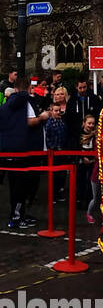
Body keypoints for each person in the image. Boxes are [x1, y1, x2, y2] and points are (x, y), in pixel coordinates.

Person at [1, 86, 48, 229]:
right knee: (20, 187)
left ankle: (18, 214)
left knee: (15, 186)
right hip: (21, 152)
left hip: (9, 152)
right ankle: (17, 218)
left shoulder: (6, 107)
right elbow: (31, 121)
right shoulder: (25, 103)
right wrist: (42, 117)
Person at [79, 115, 98, 220]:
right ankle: (80, 201)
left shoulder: (95, 135)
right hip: (82, 161)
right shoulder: (80, 133)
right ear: (84, 123)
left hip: (92, 162)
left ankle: (87, 201)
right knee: (81, 181)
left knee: (89, 183)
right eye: (89, 123)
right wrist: (83, 157)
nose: (90, 125)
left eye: (92, 123)